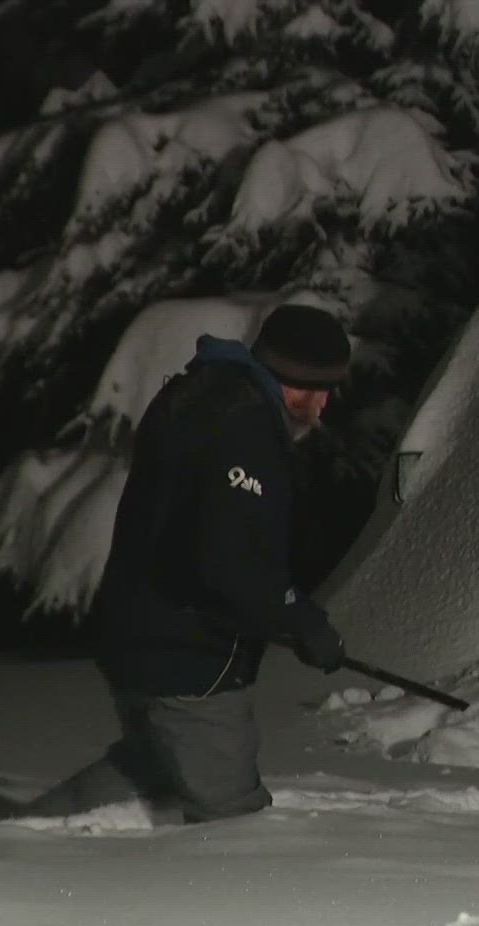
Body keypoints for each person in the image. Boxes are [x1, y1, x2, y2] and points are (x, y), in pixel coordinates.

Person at [28, 304, 351, 824]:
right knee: (235, 819)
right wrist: (304, 624)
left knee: (151, 773)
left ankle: (12, 843)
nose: (323, 403)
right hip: (190, 657)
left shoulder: (201, 395)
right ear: (287, 376)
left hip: (139, 635)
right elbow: (236, 564)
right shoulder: (244, 427)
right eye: (315, 386)